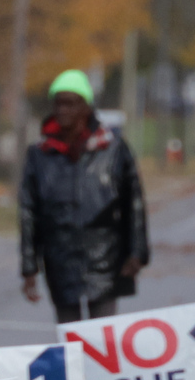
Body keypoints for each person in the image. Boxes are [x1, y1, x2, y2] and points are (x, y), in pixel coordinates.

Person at [19, 70, 148, 325]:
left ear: (86, 107)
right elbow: (28, 211)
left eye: (70, 103)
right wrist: (29, 266)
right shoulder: (39, 154)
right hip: (59, 259)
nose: (63, 110)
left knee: (102, 338)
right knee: (70, 338)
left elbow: (133, 203)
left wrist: (137, 251)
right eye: (58, 103)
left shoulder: (113, 149)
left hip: (105, 257)